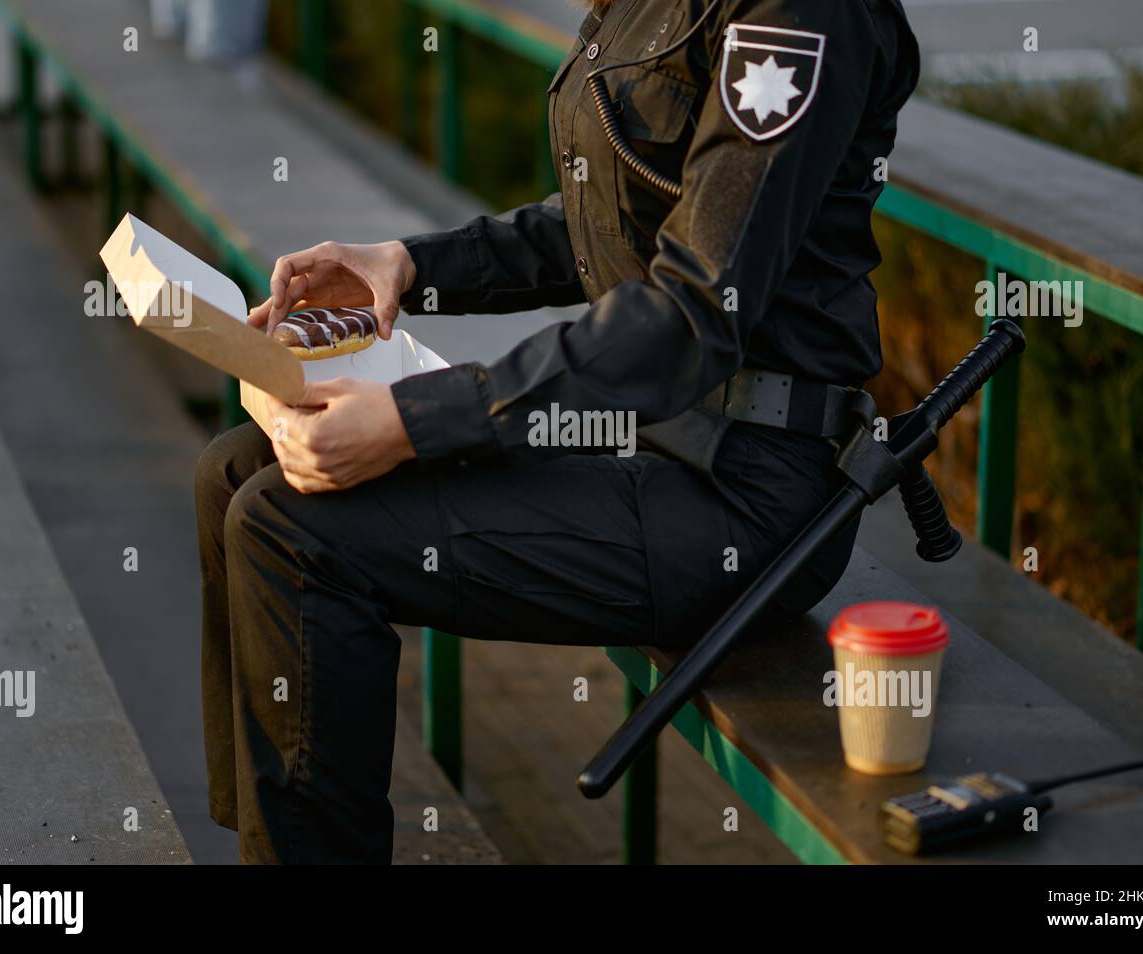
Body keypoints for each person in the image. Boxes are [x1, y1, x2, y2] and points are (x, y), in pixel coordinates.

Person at [195, 0, 919, 863]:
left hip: (746, 490)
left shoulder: (799, 14)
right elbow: (610, 221)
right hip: (650, 433)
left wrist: (414, 420)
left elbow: (691, 311)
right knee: (237, 469)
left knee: (293, 527)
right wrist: (413, 266)